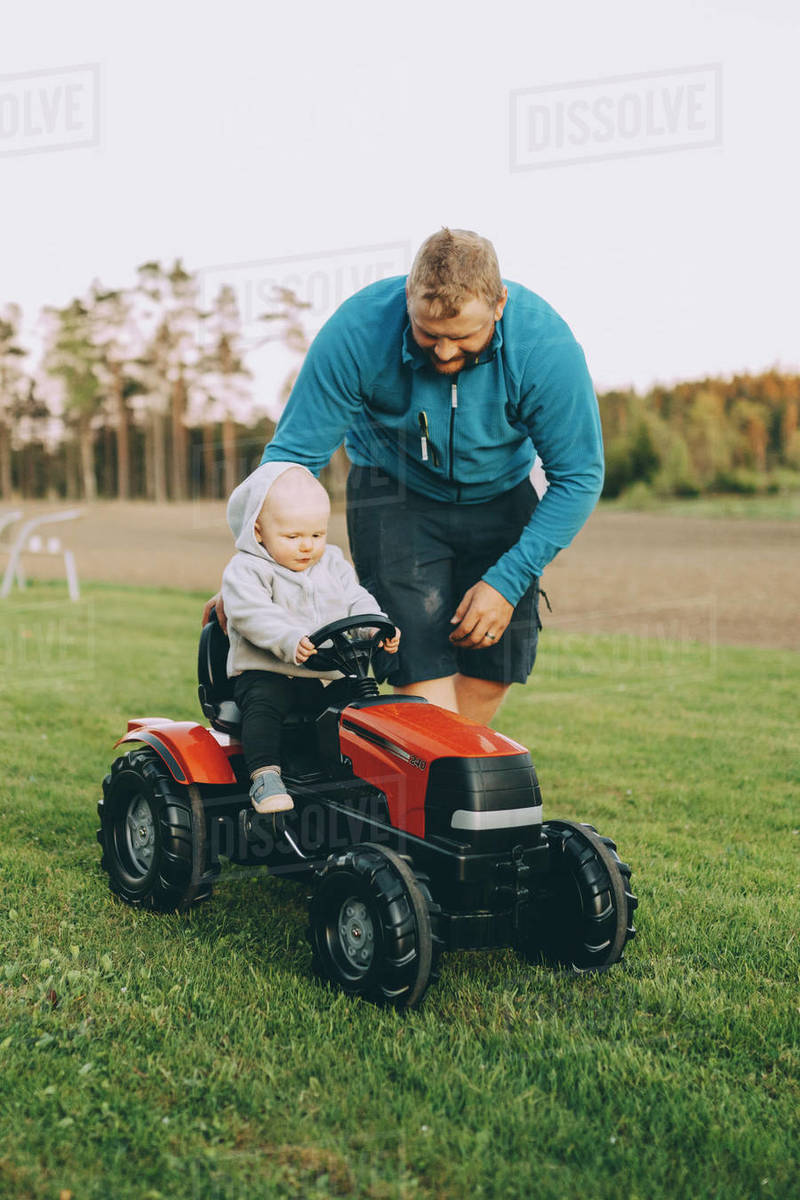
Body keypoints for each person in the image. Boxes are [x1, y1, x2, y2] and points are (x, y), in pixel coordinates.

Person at [206, 228, 604, 726]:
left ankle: (436, 790)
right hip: (393, 494)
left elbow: (579, 476)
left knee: (492, 665)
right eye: (427, 332)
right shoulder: (358, 331)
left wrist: (507, 581)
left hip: (502, 494)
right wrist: (251, 562)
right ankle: (437, 796)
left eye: (461, 336)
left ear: (499, 303)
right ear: (408, 300)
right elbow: (291, 459)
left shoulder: (546, 347)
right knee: (419, 663)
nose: (442, 352)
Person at [222, 460, 399, 814]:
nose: (307, 547)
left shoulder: (332, 562)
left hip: (325, 677)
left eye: (317, 535)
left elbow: (355, 598)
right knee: (266, 699)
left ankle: (360, 782)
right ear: (259, 532)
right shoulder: (247, 569)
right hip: (267, 672)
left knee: (363, 704)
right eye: (293, 537)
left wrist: (375, 626)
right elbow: (250, 614)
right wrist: (290, 639)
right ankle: (265, 776)